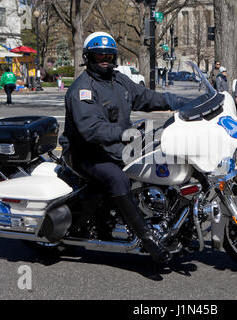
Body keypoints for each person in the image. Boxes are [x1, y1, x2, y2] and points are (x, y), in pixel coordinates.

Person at [61, 32, 188, 264]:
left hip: (116, 146)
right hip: (84, 151)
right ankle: (148, 238)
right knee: (117, 178)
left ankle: (166, 216)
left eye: (110, 54)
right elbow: (91, 129)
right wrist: (126, 134)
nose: (105, 59)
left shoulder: (118, 81)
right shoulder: (82, 89)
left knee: (162, 158)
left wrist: (180, 102)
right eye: (100, 54)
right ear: (88, 57)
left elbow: (146, 97)